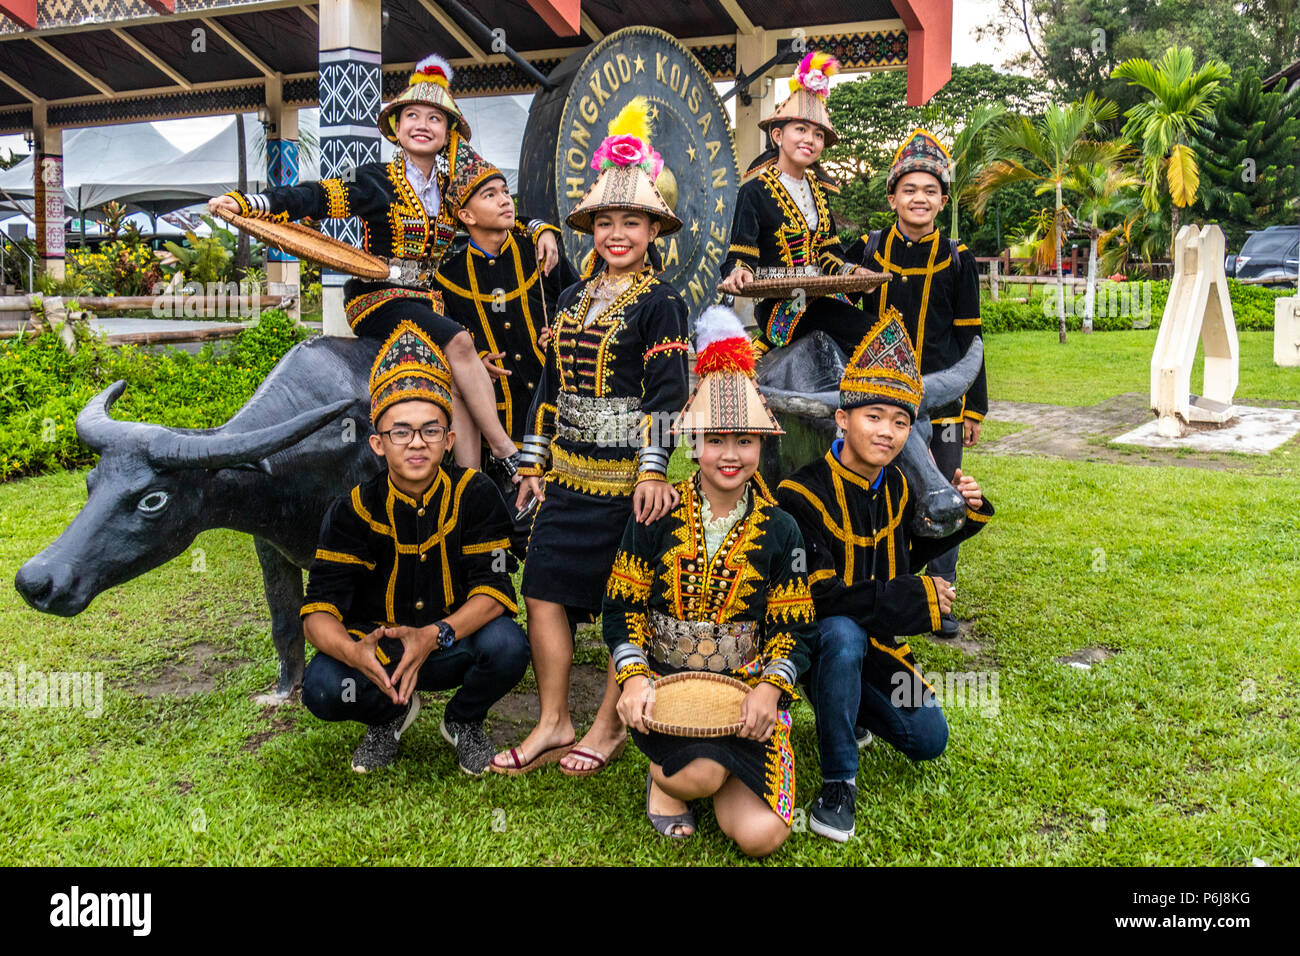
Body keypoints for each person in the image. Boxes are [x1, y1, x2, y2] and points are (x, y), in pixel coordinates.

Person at [208, 53, 559, 478]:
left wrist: (539, 228)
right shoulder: (376, 180)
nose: (422, 125)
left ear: (448, 132)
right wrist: (252, 203)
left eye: (434, 118)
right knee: (462, 344)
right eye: (412, 115)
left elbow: (498, 214)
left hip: (429, 301)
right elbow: (315, 196)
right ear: (397, 126)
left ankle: (471, 485)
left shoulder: (452, 190)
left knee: (457, 382)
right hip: (379, 296)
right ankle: (507, 453)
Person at [490, 97, 690, 776]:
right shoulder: (575, 295)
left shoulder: (663, 302)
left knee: (622, 603)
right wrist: (532, 463)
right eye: (605, 221)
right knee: (542, 589)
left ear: (653, 228)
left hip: (628, 485)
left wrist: (656, 472)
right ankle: (554, 719)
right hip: (568, 478)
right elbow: (549, 386)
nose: (616, 233)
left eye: (630, 221)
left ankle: (606, 728)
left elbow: (667, 395)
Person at [604, 305, 816, 857]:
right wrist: (631, 679)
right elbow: (621, 607)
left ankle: (716, 771)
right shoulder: (656, 514)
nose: (730, 454)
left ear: (761, 447)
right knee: (696, 777)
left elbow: (795, 624)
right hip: (665, 689)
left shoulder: (782, 528)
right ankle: (668, 781)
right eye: (715, 440)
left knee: (762, 838)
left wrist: (770, 688)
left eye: (744, 441)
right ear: (692, 442)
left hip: (745, 695)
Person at [776, 308, 994, 843]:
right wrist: (916, 599)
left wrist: (970, 511)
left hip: (882, 647)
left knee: (928, 738)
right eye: (874, 417)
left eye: (901, 422)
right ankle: (838, 783)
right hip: (816, 642)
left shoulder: (897, 487)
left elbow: (909, 553)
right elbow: (819, 601)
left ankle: (845, 705)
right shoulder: (799, 495)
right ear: (842, 419)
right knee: (842, 635)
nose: (888, 433)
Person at [298, 319, 530, 776]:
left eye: (430, 430)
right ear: (378, 444)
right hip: (381, 654)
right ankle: (389, 717)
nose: (416, 443)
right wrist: (353, 652)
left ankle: (463, 720)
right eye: (400, 432)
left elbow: (494, 591)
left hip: (452, 644)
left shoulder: (476, 492)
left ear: (450, 439)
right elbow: (318, 611)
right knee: (324, 686)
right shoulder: (352, 510)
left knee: (508, 647)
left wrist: (434, 634)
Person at [845, 128, 989, 636]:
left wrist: (973, 408)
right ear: (892, 197)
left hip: (941, 401)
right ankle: (899, 592)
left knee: (944, 488)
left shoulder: (958, 256)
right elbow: (827, 272)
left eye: (930, 191)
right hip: (878, 401)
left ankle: (942, 597)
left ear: (943, 199)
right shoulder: (869, 247)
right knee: (887, 491)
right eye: (909, 189)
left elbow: (971, 337)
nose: (919, 198)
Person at [435, 154, 578, 540]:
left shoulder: (539, 250)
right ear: (466, 216)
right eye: (490, 195)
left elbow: (578, 301)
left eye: (505, 192)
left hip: (551, 406)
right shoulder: (446, 277)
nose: (504, 200)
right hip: (493, 420)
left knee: (557, 530)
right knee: (497, 533)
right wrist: (477, 357)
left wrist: (562, 331)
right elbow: (447, 338)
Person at [718, 51, 872, 356]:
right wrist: (738, 272)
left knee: (871, 267)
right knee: (867, 331)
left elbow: (829, 251)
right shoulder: (755, 191)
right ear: (778, 135)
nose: (810, 140)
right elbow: (741, 252)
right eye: (800, 129)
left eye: (817, 134)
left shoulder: (819, 191)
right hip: (780, 307)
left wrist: (852, 272)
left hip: (823, 297)